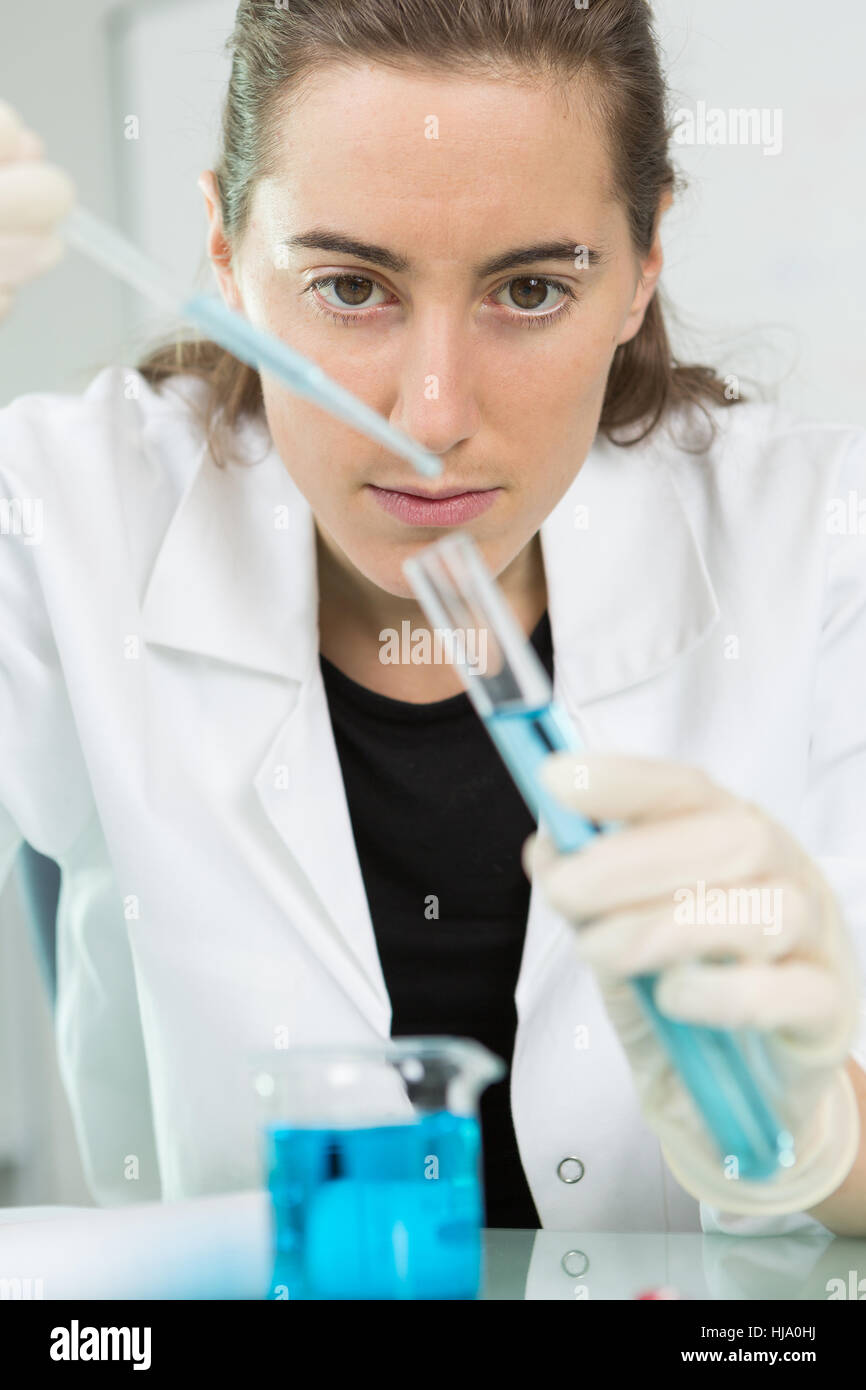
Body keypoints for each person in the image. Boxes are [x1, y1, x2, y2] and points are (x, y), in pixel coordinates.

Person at [0, 0, 864, 1238]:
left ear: (643, 266)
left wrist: (809, 1135)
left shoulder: (822, 541)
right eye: (351, 286)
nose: (433, 410)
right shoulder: (67, 514)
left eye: (529, 289)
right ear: (225, 251)